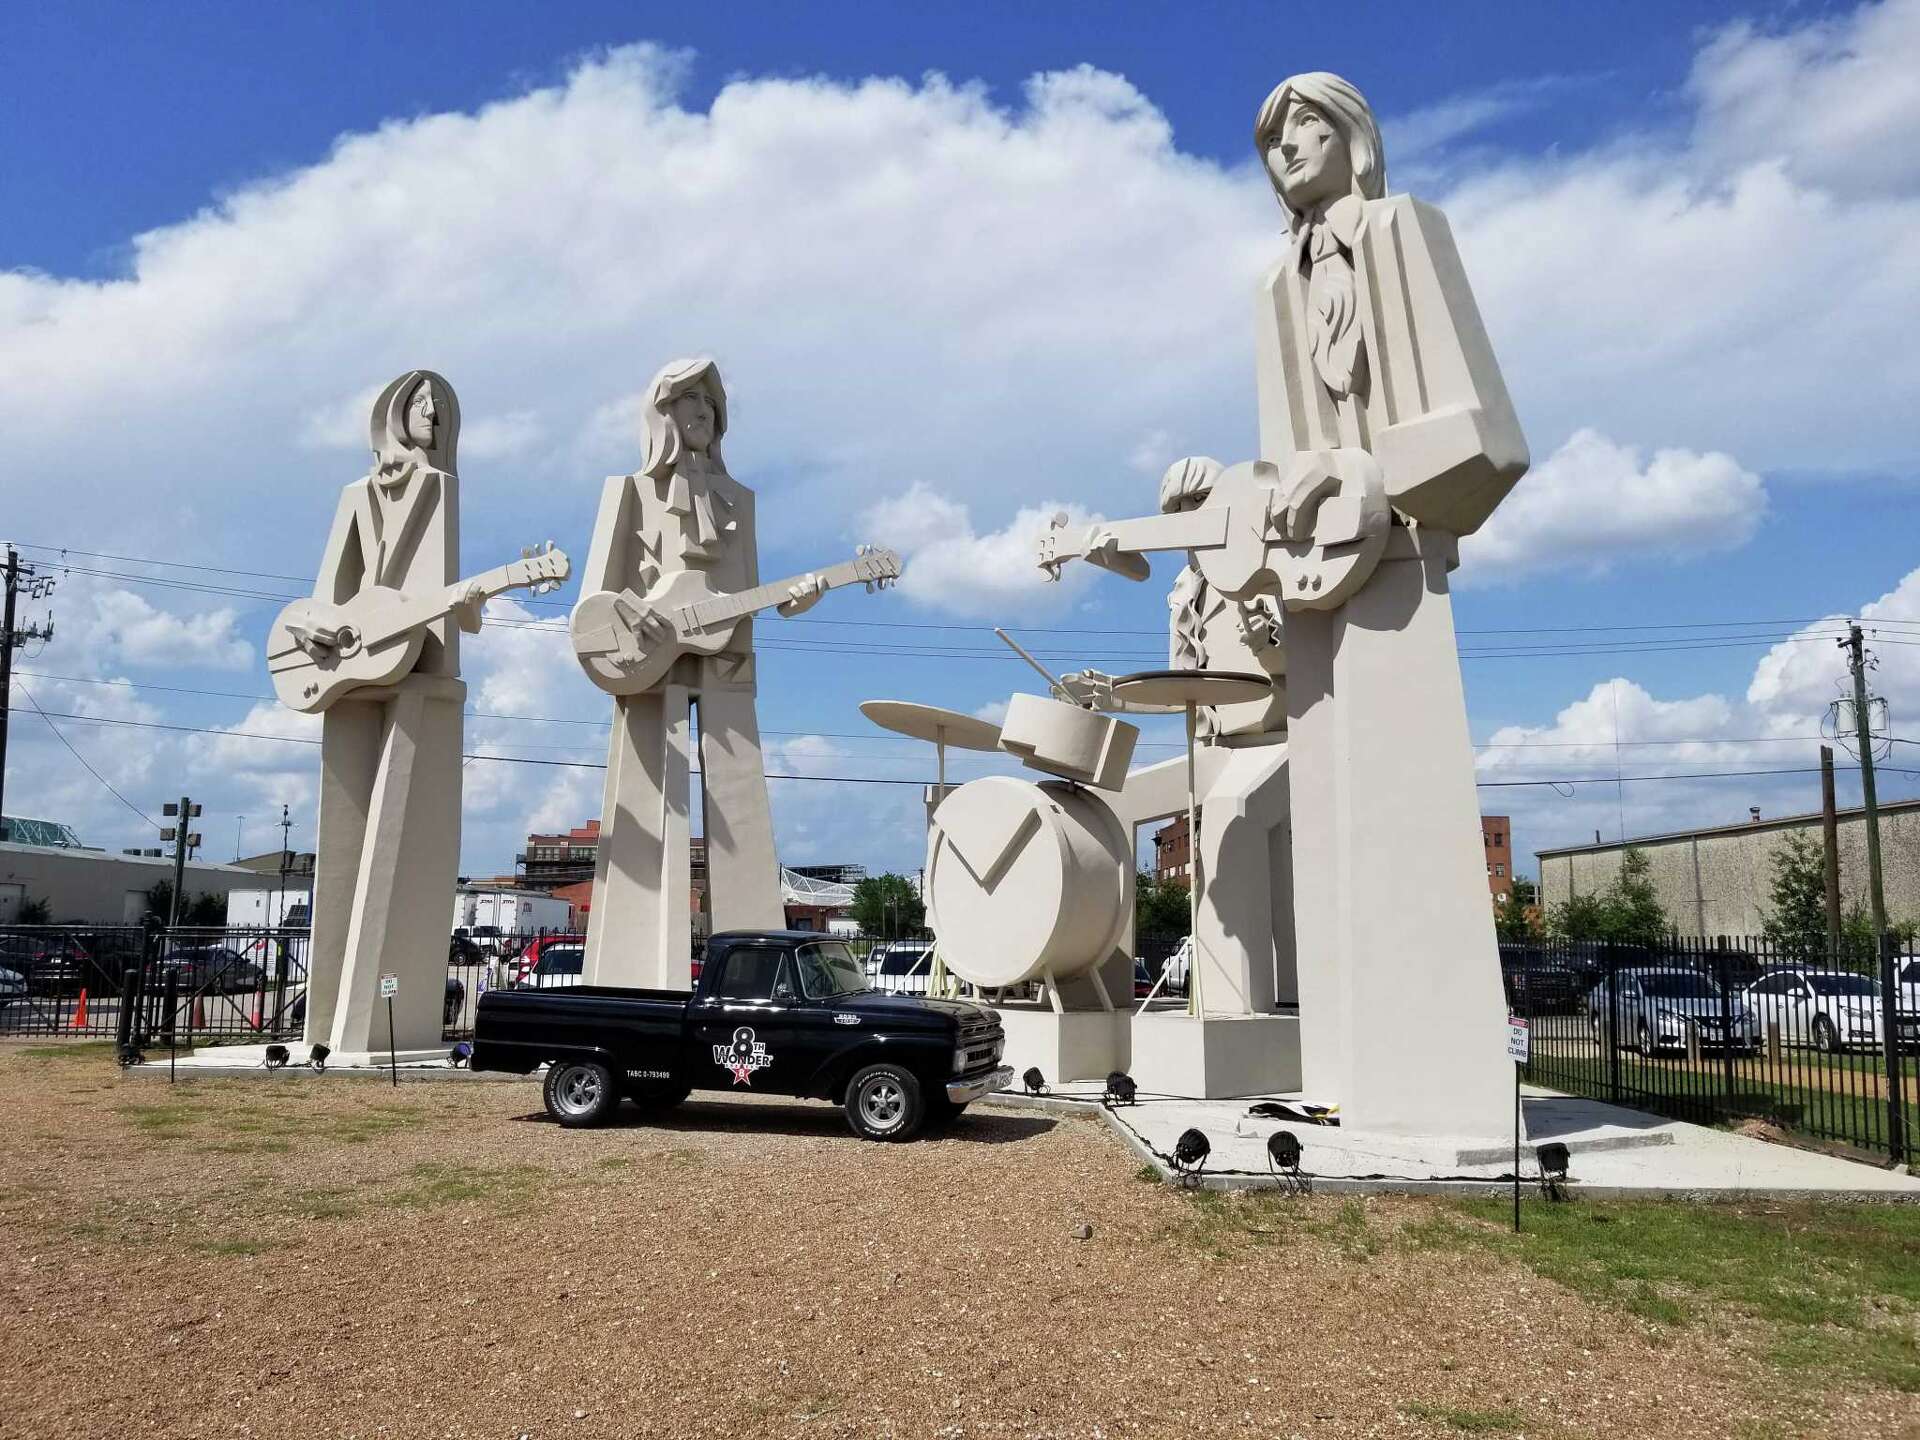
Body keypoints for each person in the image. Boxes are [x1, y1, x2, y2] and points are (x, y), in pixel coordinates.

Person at [571, 358, 821, 988]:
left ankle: (756, 988)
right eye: (689, 398)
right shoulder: (630, 492)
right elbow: (592, 602)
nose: (703, 410)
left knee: (742, 820)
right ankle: (629, 983)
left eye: (710, 399)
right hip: (646, 670)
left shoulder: (740, 501)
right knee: (643, 806)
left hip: (729, 671)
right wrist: (630, 611)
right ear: (662, 413)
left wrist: (795, 600)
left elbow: (749, 595)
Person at [301, 371, 469, 1059]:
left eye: (440, 406)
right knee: (340, 841)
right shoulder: (356, 495)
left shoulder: (441, 488)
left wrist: (464, 611)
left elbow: (443, 598)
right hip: (348, 670)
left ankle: (381, 1028)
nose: (432, 413)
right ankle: (326, 1029)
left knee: (412, 838)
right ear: (394, 412)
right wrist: (315, 629)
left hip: (423, 671)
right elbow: (326, 593)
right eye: (421, 403)